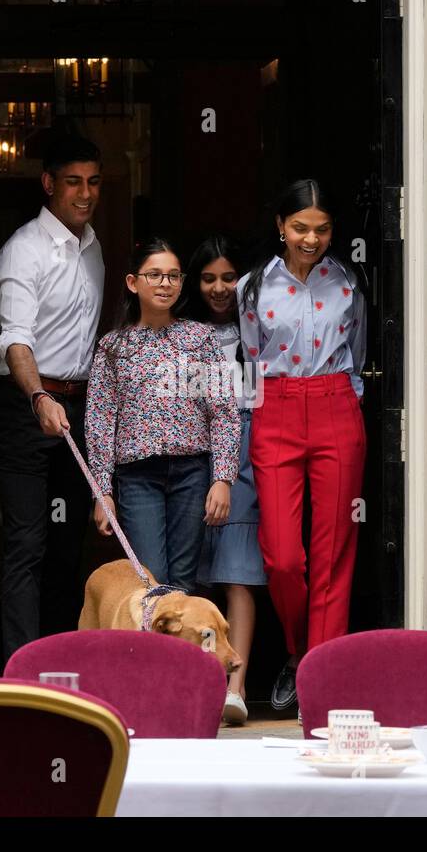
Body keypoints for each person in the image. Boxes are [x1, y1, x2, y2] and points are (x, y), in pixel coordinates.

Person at [238, 179, 369, 718]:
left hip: (336, 402)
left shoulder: (351, 283)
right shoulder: (253, 288)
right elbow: (249, 362)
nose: (311, 238)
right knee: (284, 555)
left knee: (335, 549)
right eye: (300, 228)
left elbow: (357, 354)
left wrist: (347, 402)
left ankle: (321, 668)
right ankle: (297, 651)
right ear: (280, 227)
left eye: (321, 229)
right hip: (276, 407)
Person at [0, 134, 105, 666]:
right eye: (73, 182)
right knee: (26, 544)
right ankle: (20, 665)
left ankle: (60, 665)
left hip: (78, 409)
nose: (85, 193)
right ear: (49, 184)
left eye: (93, 182)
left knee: (68, 544)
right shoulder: (24, 249)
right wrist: (37, 395)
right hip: (25, 407)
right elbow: (15, 336)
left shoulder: (93, 247)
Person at [85, 239, 240, 594]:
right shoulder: (114, 347)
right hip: (137, 477)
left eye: (173, 276)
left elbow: (223, 411)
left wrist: (223, 478)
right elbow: (100, 421)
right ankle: (154, 651)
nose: (164, 283)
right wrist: (102, 491)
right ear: (132, 282)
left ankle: (179, 652)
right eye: (154, 275)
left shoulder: (199, 339)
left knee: (185, 580)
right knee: (149, 579)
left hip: (192, 473)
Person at [186, 233, 267, 724]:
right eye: (209, 278)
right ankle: (197, 683)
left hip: (247, 453)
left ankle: (236, 688)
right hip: (192, 456)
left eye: (229, 278)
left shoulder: (260, 328)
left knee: (239, 572)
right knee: (193, 576)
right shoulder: (179, 331)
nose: (219, 288)